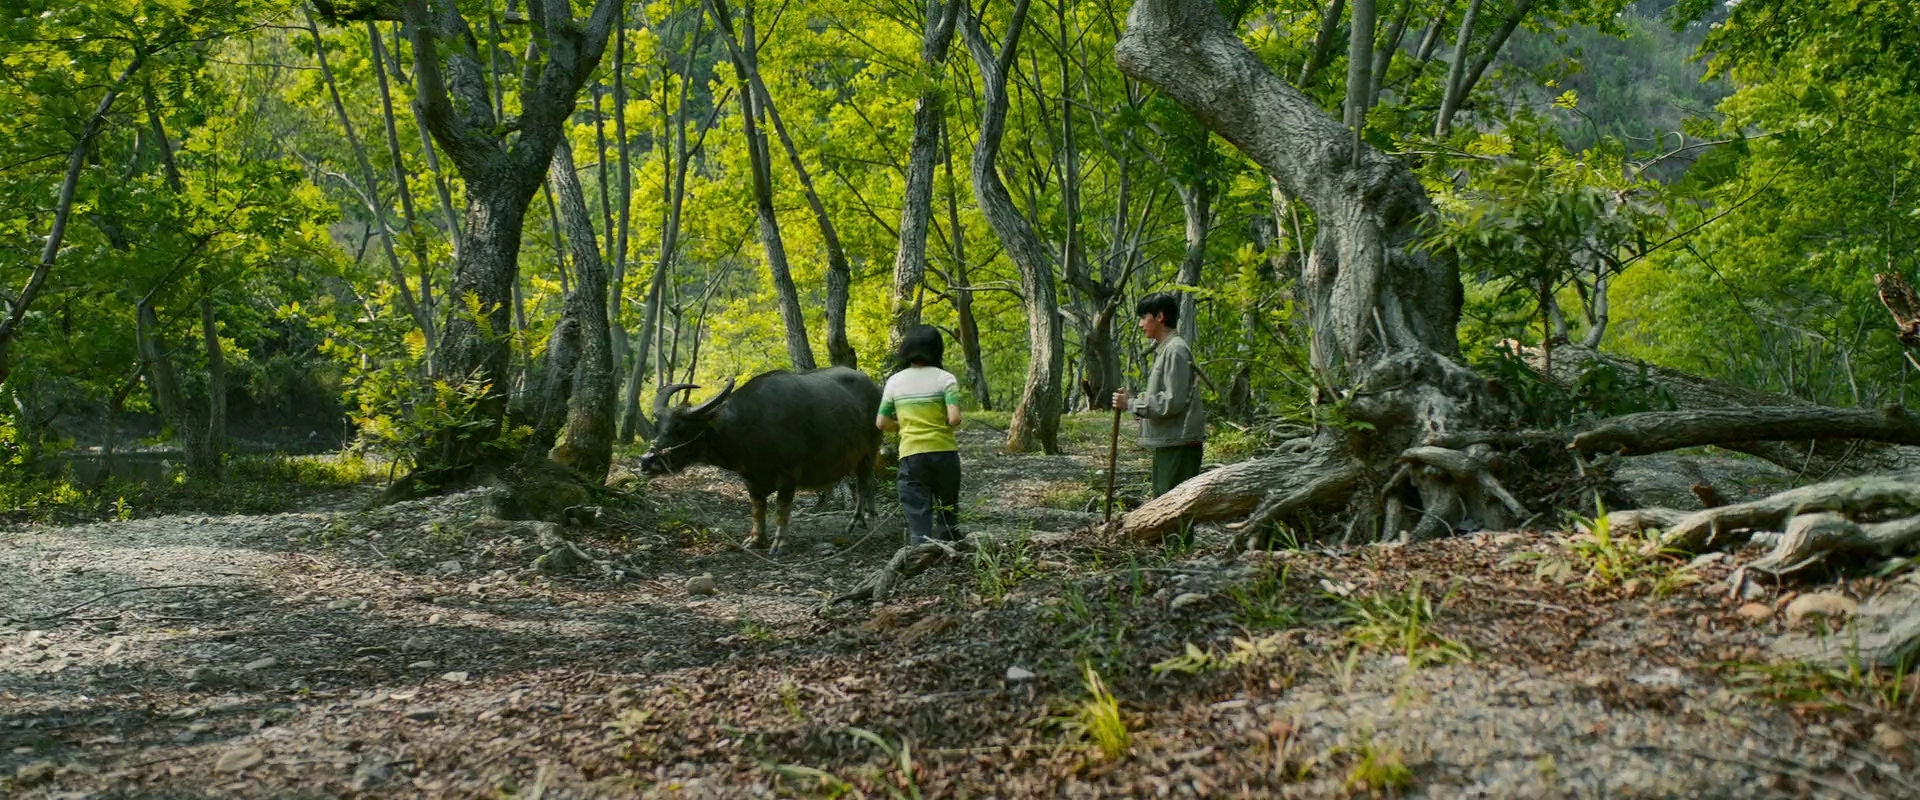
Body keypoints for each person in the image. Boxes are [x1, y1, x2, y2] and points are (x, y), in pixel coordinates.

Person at [1113, 292, 1207, 541]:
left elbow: (1172, 402)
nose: (1141, 324)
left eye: (1144, 317)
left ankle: (1180, 565)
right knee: (1165, 504)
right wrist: (1136, 404)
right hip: (1170, 441)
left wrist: (1133, 403)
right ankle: (1172, 559)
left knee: (1173, 510)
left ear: (1160, 317)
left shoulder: (1175, 350)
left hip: (1179, 443)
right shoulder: (1166, 350)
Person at [877, 325, 964, 545]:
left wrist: (903, 426)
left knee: (917, 510)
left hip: (912, 455)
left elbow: (881, 423)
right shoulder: (946, 379)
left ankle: (921, 550)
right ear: (937, 349)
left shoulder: (895, 381)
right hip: (944, 452)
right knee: (947, 508)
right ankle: (950, 547)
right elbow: (955, 419)